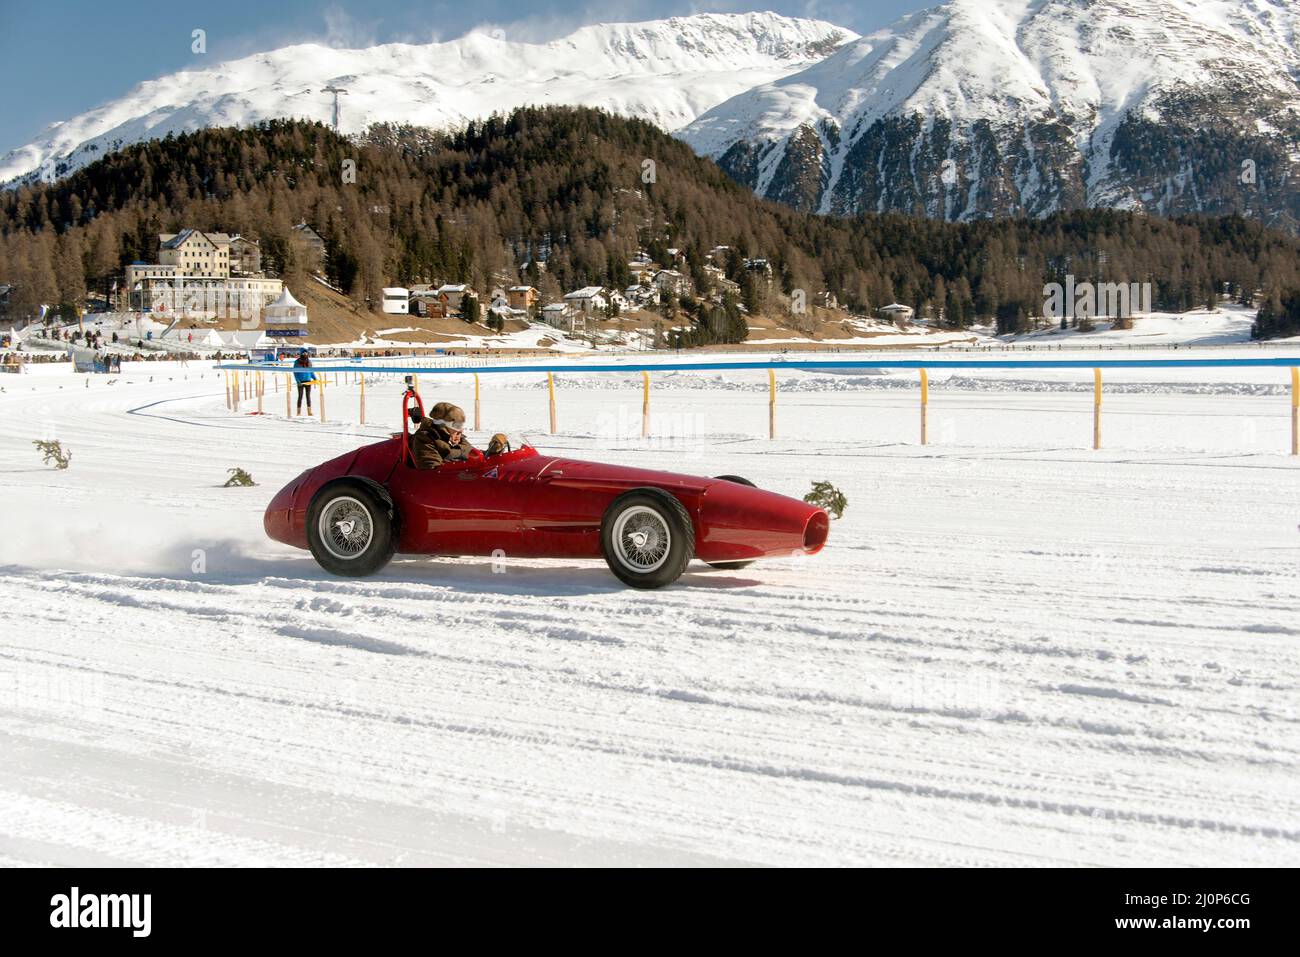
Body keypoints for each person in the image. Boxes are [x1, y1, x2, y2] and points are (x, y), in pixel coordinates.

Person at [410, 402, 476, 469]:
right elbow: (433, 470)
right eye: (457, 426)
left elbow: (475, 455)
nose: (460, 431)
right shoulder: (426, 438)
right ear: (443, 426)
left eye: (461, 425)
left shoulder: (458, 437)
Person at [293, 349, 313, 414]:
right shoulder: (297, 362)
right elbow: (295, 373)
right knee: (300, 396)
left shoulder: (309, 362)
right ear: (301, 354)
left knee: (308, 396)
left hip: (308, 381)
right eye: (304, 354)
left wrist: (315, 378)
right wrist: (298, 381)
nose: (305, 355)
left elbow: (311, 371)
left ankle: (309, 411)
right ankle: (298, 411)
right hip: (300, 382)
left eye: (306, 353)